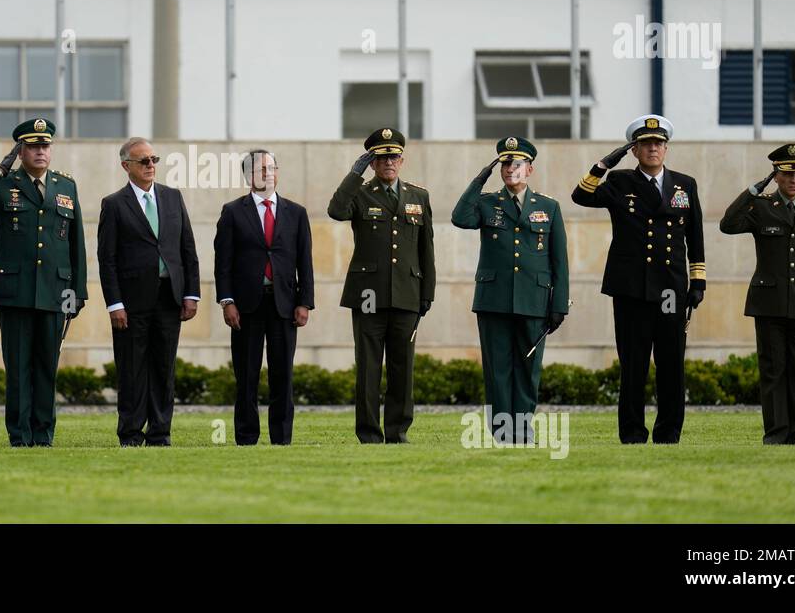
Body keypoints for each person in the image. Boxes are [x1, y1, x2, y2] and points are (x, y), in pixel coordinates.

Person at [571, 114, 705, 444]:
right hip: (631, 287)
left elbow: (696, 236)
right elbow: (580, 195)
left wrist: (697, 281)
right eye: (645, 144)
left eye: (658, 144)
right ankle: (632, 433)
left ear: (666, 148)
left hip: (671, 289)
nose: (653, 149)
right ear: (634, 150)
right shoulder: (619, 182)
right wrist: (603, 164)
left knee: (672, 365)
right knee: (634, 365)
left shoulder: (683, 185)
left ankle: (669, 432)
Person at [0, 117, 87, 447]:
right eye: (33, 146)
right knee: (18, 369)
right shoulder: (5, 184)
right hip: (15, 291)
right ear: (21, 150)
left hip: (55, 291)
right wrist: (1, 169)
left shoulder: (65, 185)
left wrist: (79, 292)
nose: (41, 151)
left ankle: (43, 435)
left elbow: (76, 243)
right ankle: (20, 435)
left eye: (45, 145)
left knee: (47, 368)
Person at [451, 136, 568, 443]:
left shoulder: (548, 207)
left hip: (534, 300)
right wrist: (479, 179)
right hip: (494, 300)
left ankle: (523, 431)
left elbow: (560, 260)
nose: (510, 169)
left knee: (529, 370)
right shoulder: (488, 203)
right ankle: (503, 433)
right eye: (504, 164)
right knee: (497, 370)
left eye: (516, 164)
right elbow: (459, 218)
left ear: (529, 169)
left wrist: (559, 305)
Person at [719, 144, 795, 445]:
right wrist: (753, 190)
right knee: (773, 372)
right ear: (777, 176)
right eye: (787, 174)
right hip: (768, 303)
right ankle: (775, 433)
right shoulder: (761, 207)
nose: (794, 179)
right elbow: (727, 224)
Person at [327, 127, 434, 444]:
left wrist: (426, 295)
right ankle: (370, 433)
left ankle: (398, 432)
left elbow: (426, 249)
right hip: (368, 295)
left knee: (403, 370)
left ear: (402, 160)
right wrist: (353, 175)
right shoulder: (360, 193)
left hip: (407, 295)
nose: (389, 162)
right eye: (382, 157)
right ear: (373, 163)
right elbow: (335, 211)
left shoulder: (418, 196)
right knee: (369, 369)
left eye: (394, 156)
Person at [97, 137, 201, 447]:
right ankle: (130, 433)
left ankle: (160, 433)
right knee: (132, 368)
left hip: (169, 297)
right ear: (126, 166)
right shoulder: (114, 204)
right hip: (131, 301)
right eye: (144, 161)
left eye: (154, 159)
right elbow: (107, 258)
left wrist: (191, 294)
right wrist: (114, 303)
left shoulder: (172, 197)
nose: (151, 166)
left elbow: (187, 248)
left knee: (163, 368)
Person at [213, 149, 314, 445]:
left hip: (284, 305)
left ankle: (281, 438)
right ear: (248, 175)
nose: (266, 174)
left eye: (271, 168)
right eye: (259, 169)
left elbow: (304, 262)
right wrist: (226, 301)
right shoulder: (232, 212)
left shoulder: (296, 213)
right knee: (247, 377)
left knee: (283, 375)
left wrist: (305, 301)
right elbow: (223, 263)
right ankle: (246, 437)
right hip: (245, 307)